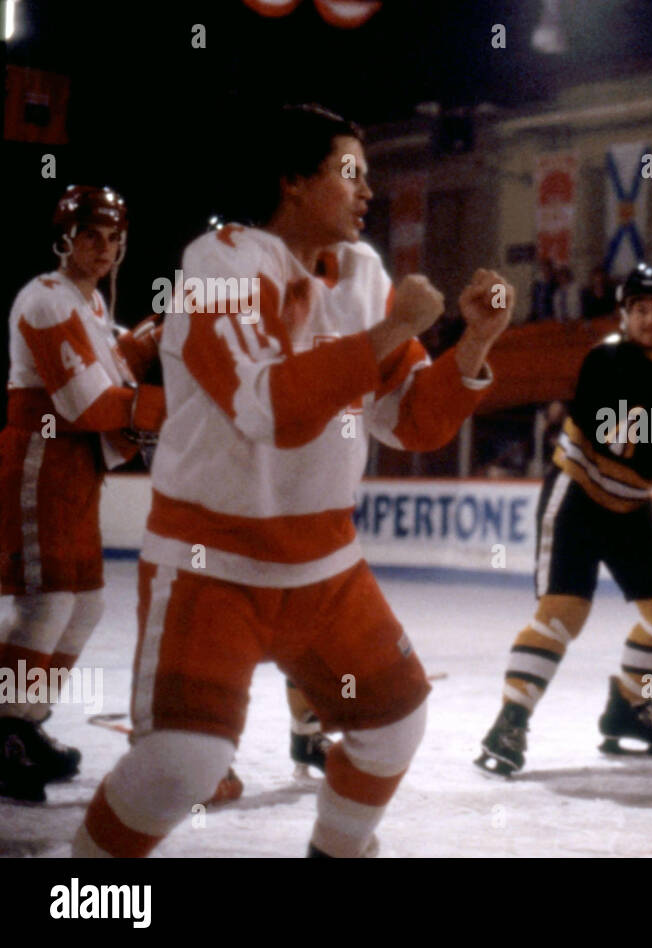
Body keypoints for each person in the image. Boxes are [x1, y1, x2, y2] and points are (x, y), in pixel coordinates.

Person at [72, 104, 514, 857]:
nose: (368, 191)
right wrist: (386, 334)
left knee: (395, 723)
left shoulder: (365, 275)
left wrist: (474, 344)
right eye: (350, 173)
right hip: (212, 562)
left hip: (325, 567)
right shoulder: (217, 265)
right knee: (187, 761)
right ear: (292, 181)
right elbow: (264, 406)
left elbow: (410, 423)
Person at [474, 262, 652, 778]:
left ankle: (628, 709)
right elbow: (621, 430)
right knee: (563, 613)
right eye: (641, 310)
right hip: (579, 497)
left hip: (630, 504)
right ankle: (509, 722)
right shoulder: (607, 359)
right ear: (625, 314)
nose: (651, 320)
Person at [0, 185, 165, 803]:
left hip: (75, 464)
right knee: (47, 603)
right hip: (43, 457)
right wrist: (174, 408)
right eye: (90, 234)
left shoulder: (88, 304)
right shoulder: (45, 300)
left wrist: (151, 340)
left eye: (112, 237)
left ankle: (24, 723)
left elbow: (109, 369)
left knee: (85, 603)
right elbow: (88, 400)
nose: (102, 249)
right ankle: (6, 729)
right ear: (66, 236)